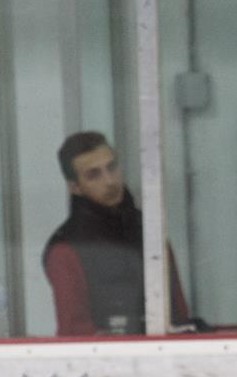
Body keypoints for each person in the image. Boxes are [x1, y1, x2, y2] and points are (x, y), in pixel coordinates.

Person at [42, 131, 191, 335]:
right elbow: (75, 333)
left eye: (112, 168)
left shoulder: (148, 230)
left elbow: (178, 315)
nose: (110, 181)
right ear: (75, 187)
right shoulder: (65, 250)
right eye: (94, 175)